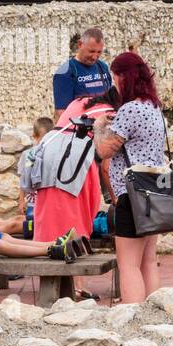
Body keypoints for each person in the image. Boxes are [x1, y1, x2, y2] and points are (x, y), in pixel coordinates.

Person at [92, 53, 170, 304]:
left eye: (115, 78)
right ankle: (155, 315)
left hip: (131, 193)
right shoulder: (153, 107)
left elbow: (104, 151)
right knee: (148, 261)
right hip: (155, 189)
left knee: (128, 265)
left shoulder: (129, 109)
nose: (114, 84)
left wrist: (99, 127)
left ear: (125, 77)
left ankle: (133, 316)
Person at [33, 91, 118, 301]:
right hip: (75, 161)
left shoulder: (80, 102)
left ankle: (61, 285)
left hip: (50, 154)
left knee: (50, 220)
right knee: (76, 220)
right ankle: (77, 287)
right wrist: (115, 199)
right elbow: (106, 166)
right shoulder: (110, 113)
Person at [52, 27, 112, 112]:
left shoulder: (103, 67)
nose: (95, 57)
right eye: (91, 51)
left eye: (99, 52)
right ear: (80, 44)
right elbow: (61, 112)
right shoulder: (65, 72)